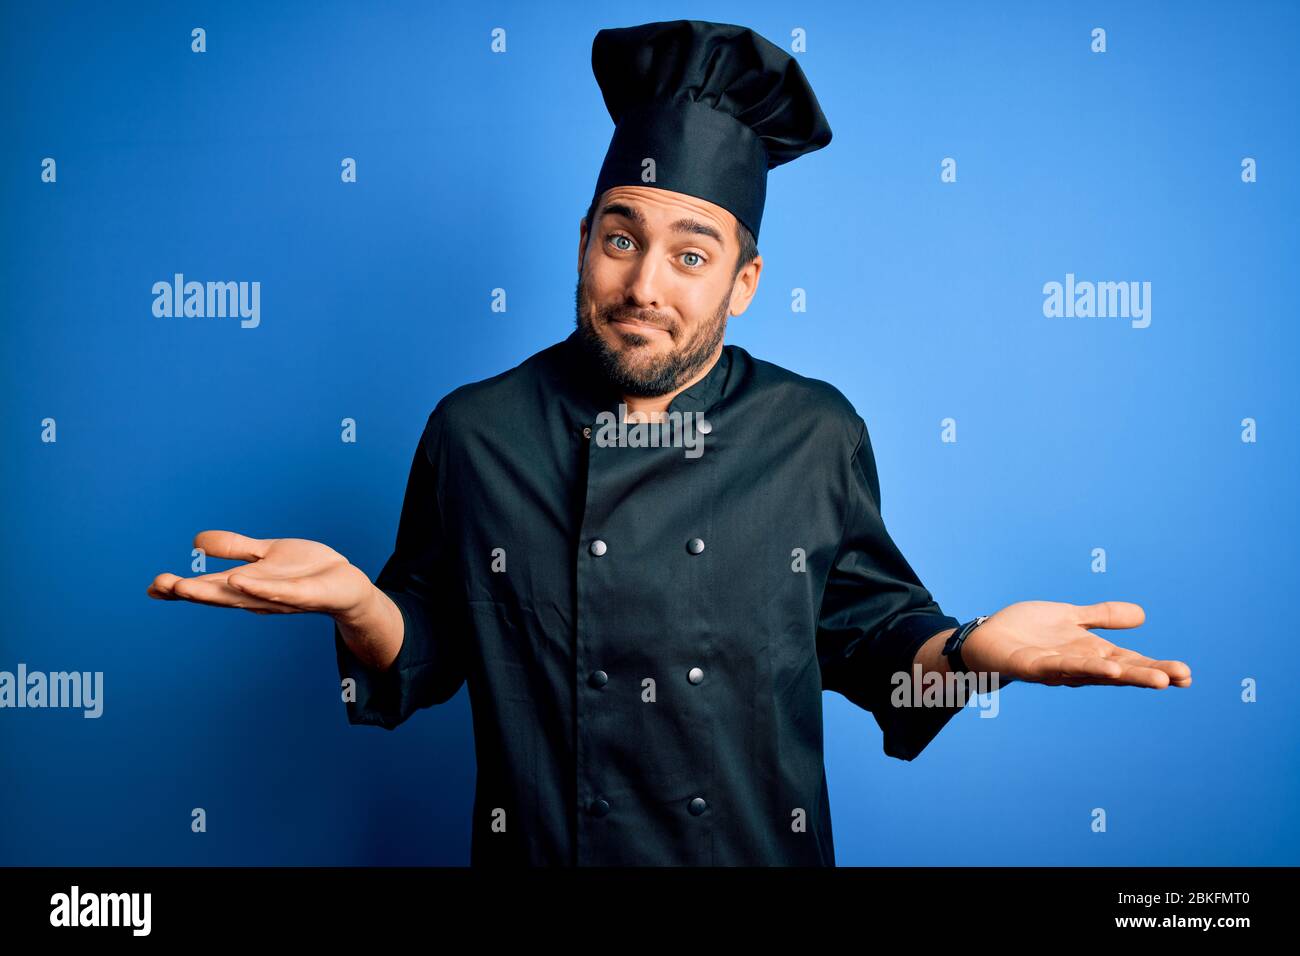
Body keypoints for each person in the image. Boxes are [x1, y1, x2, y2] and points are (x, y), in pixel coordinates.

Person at [147, 19, 1191, 866]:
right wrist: (359, 601)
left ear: (741, 282)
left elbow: (879, 654)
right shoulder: (477, 431)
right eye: (619, 236)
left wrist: (970, 656)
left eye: (690, 253)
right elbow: (419, 655)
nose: (643, 282)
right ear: (585, 241)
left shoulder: (812, 432)